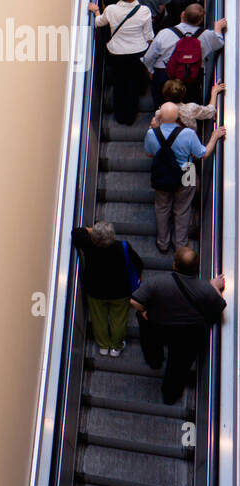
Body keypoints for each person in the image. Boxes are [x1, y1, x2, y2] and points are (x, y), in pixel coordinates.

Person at [131, 247, 226, 403]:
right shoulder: (205, 289)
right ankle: (170, 396)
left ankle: (154, 361)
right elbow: (219, 307)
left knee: (149, 335)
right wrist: (214, 286)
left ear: (174, 265)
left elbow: (134, 301)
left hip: (159, 326)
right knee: (178, 367)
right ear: (197, 267)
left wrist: (144, 312)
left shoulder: (157, 282)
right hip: (188, 335)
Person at [144, 100, 225, 252]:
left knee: (162, 208)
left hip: (162, 174)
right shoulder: (188, 134)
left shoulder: (151, 133)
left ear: (160, 116)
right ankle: (180, 245)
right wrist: (214, 136)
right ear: (178, 116)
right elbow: (203, 154)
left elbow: (149, 153)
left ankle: (163, 243)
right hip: (187, 173)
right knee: (182, 209)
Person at [90, 0, 156, 124]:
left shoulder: (111, 9)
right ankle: (131, 116)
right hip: (138, 52)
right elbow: (149, 35)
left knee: (119, 84)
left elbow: (99, 22)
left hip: (117, 53)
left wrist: (95, 11)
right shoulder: (144, 11)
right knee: (133, 83)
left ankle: (120, 116)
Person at [74, 221, 144, 356]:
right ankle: (116, 347)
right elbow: (138, 264)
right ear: (112, 236)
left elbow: (76, 232)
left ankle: (103, 346)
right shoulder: (122, 246)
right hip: (120, 291)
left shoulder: (88, 244)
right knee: (119, 319)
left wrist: (91, 230)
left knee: (98, 319)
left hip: (95, 290)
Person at [142, 4, 225, 103]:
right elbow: (219, 42)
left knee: (162, 104)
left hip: (164, 75)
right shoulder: (207, 35)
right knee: (188, 105)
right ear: (200, 21)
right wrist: (218, 29)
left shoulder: (164, 33)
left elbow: (149, 58)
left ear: (182, 14)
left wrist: (151, 72)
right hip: (191, 76)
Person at [154, 77, 224, 131]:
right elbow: (210, 112)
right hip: (189, 145)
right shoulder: (191, 108)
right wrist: (214, 92)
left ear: (164, 95)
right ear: (184, 93)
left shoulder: (160, 113)